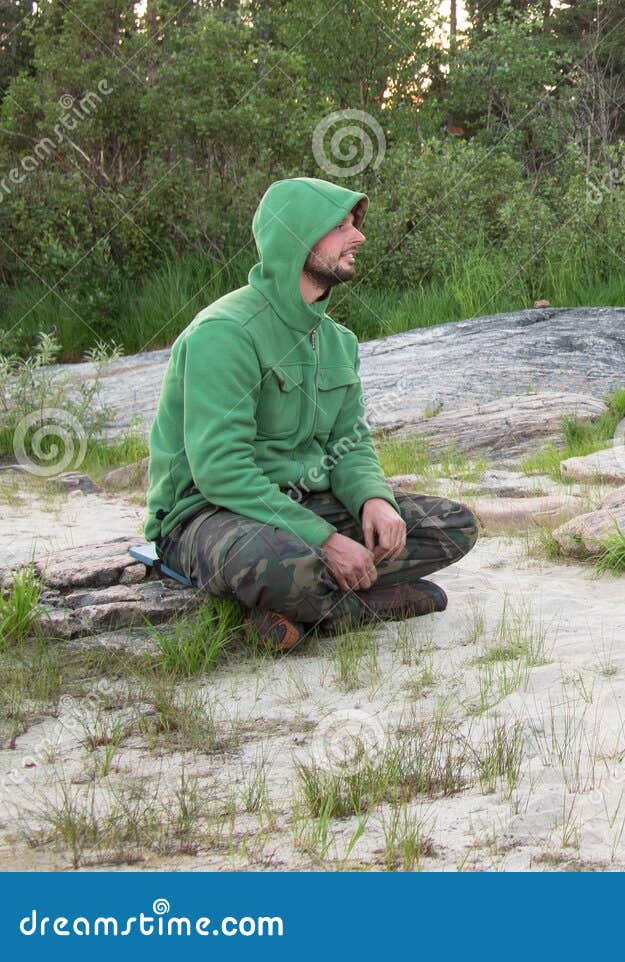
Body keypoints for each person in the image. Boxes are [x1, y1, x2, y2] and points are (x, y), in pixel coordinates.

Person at [142, 176, 478, 649]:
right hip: (208, 514)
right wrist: (324, 540)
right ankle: (377, 602)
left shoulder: (338, 341)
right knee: (285, 566)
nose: (358, 237)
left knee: (453, 525)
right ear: (297, 238)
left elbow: (349, 443)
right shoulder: (224, 332)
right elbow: (220, 471)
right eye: (340, 227)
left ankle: (295, 612)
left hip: (303, 503)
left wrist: (373, 500)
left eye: (354, 225)